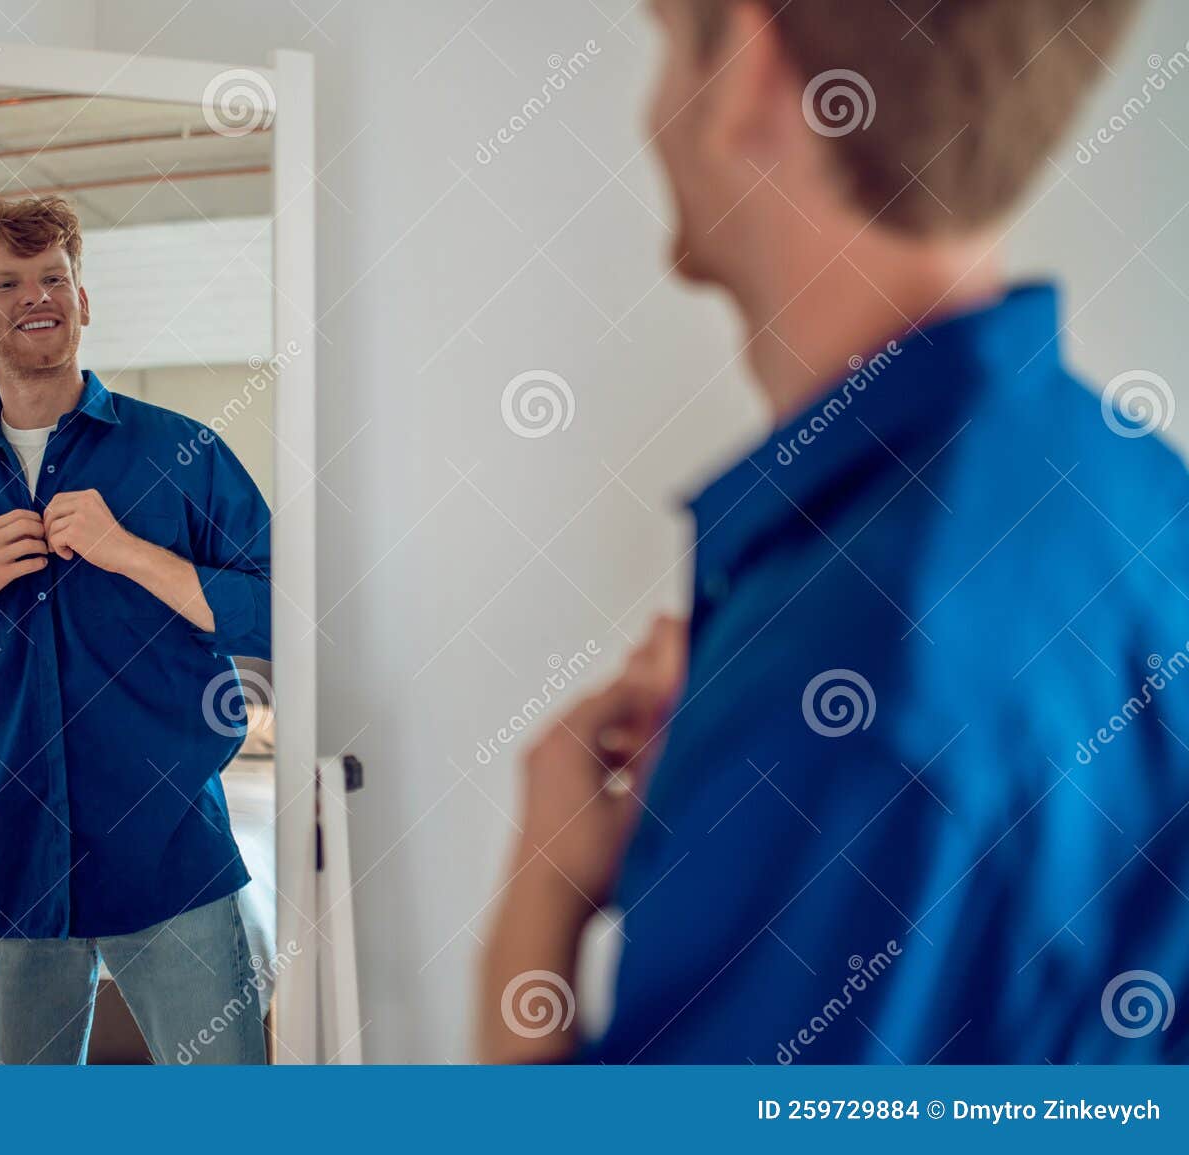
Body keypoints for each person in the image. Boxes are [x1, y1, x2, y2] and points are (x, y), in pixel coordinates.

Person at [480, 0, 1189, 1064]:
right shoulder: (1137, 485)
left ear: (745, 76)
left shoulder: (851, 671)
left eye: (670, 41)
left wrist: (540, 895)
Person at [0, 195, 271, 1064]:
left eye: (54, 277)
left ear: (83, 301)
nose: (35, 296)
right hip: (10, 868)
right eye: (7, 283)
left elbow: (285, 615)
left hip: (172, 859)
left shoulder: (184, 452)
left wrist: (130, 551)